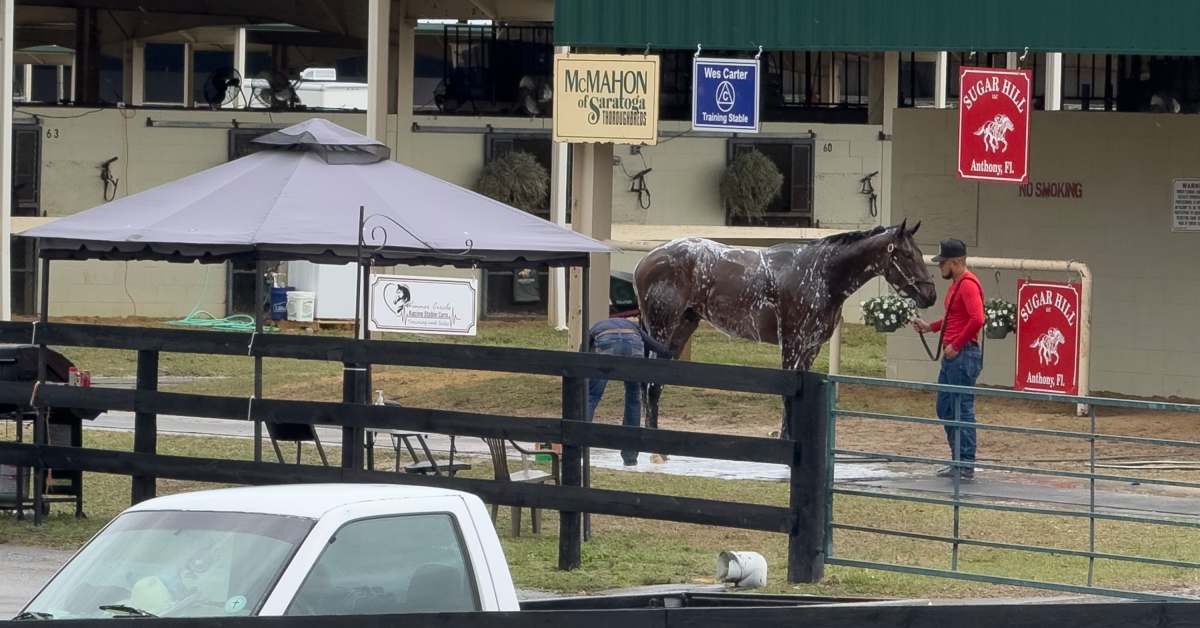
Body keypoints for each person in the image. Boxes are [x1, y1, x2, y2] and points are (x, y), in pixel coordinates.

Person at [912, 238, 985, 480]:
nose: (940, 266)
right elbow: (956, 319)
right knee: (946, 407)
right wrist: (930, 327)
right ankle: (959, 460)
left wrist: (956, 344)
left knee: (961, 408)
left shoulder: (967, 285)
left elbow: (977, 319)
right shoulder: (957, 284)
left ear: (957, 261)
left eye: (943, 262)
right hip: (955, 354)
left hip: (962, 355)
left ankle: (965, 463)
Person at [586, 316, 672, 466]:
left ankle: (579, 444)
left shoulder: (596, 327)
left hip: (606, 342)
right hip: (634, 345)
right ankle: (630, 456)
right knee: (633, 400)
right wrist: (666, 359)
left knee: (592, 396)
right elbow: (658, 348)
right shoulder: (634, 327)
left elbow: (583, 354)